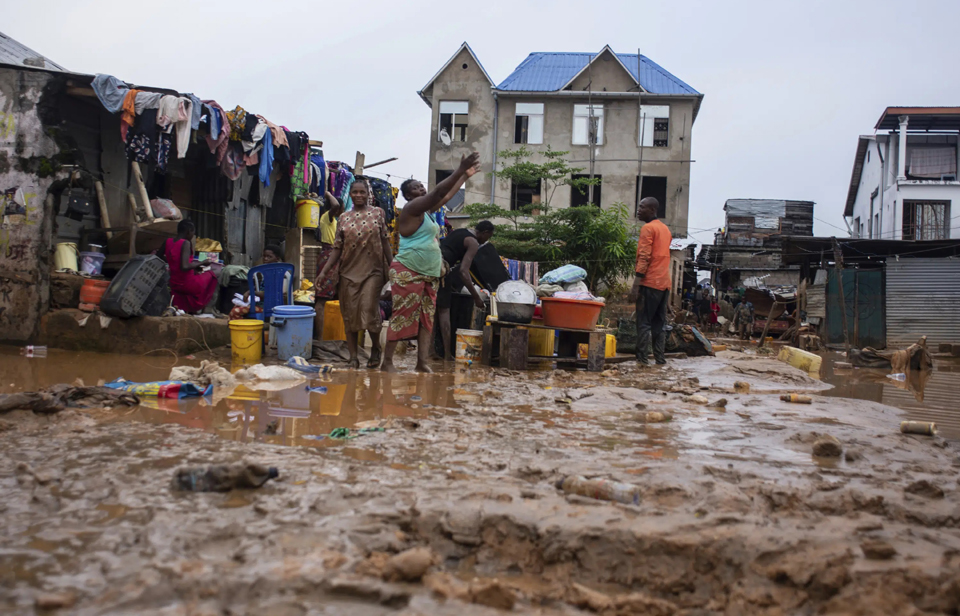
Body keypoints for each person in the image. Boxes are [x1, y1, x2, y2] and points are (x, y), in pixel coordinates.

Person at [381, 152, 481, 373]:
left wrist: (464, 176)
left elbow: (444, 198)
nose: (422, 189)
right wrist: (459, 169)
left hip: (430, 273)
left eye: (421, 186)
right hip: (408, 269)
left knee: (427, 319)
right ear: (408, 195)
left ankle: (421, 362)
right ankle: (387, 362)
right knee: (403, 316)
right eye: (417, 188)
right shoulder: (411, 209)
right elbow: (439, 192)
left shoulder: (425, 214)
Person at [315, 177, 393, 369]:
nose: (359, 195)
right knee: (349, 314)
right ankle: (353, 357)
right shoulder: (343, 218)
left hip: (373, 271)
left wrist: (393, 269)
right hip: (347, 271)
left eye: (362, 192)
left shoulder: (378, 213)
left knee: (368, 309)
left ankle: (375, 348)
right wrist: (324, 272)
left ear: (368, 194)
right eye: (355, 192)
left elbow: (385, 242)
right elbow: (337, 248)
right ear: (350, 194)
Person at [436, 220, 495, 360]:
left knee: (431, 311)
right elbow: (463, 271)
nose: (487, 240)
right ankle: (446, 354)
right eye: (489, 236)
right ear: (485, 233)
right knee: (444, 311)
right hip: (441, 270)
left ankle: (431, 352)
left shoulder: (460, 231)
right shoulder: (473, 242)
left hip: (431, 264)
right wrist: (476, 297)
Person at [629, 197, 672, 365]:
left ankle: (642, 361)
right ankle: (660, 360)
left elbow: (644, 257)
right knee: (659, 324)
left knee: (644, 323)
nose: (638, 210)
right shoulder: (665, 230)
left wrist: (635, 286)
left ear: (652, 210)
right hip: (664, 284)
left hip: (649, 283)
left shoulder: (648, 228)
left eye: (642, 207)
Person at [165, 220, 218, 314]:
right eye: (193, 233)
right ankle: (209, 308)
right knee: (215, 273)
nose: (193, 235)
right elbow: (184, 266)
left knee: (201, 274)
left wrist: (193, 267)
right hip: (187, 284)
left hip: (174, 283)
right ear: (189, 231)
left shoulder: (168, 241)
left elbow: (159, 257)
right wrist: (203, 262)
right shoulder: (186, 243)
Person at [229, 245, 289, 320]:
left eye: (269, 257)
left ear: (276, 259)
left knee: (235, 311)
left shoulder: (273, 274)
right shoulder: (276, 271)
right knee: (237, 306)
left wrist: (250, 292)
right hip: (267, 305)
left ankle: (246, 329)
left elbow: (267, 294)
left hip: (267, 308)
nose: (265, 259)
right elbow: (263, 287)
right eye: (264, 256)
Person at [314, 191, 343, 301]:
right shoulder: (327, 217)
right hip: (328, 255)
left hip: (333, 255)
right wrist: (328, 194)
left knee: (332, 294)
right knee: (323, 295)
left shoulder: (334, 221)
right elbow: (336, 205)